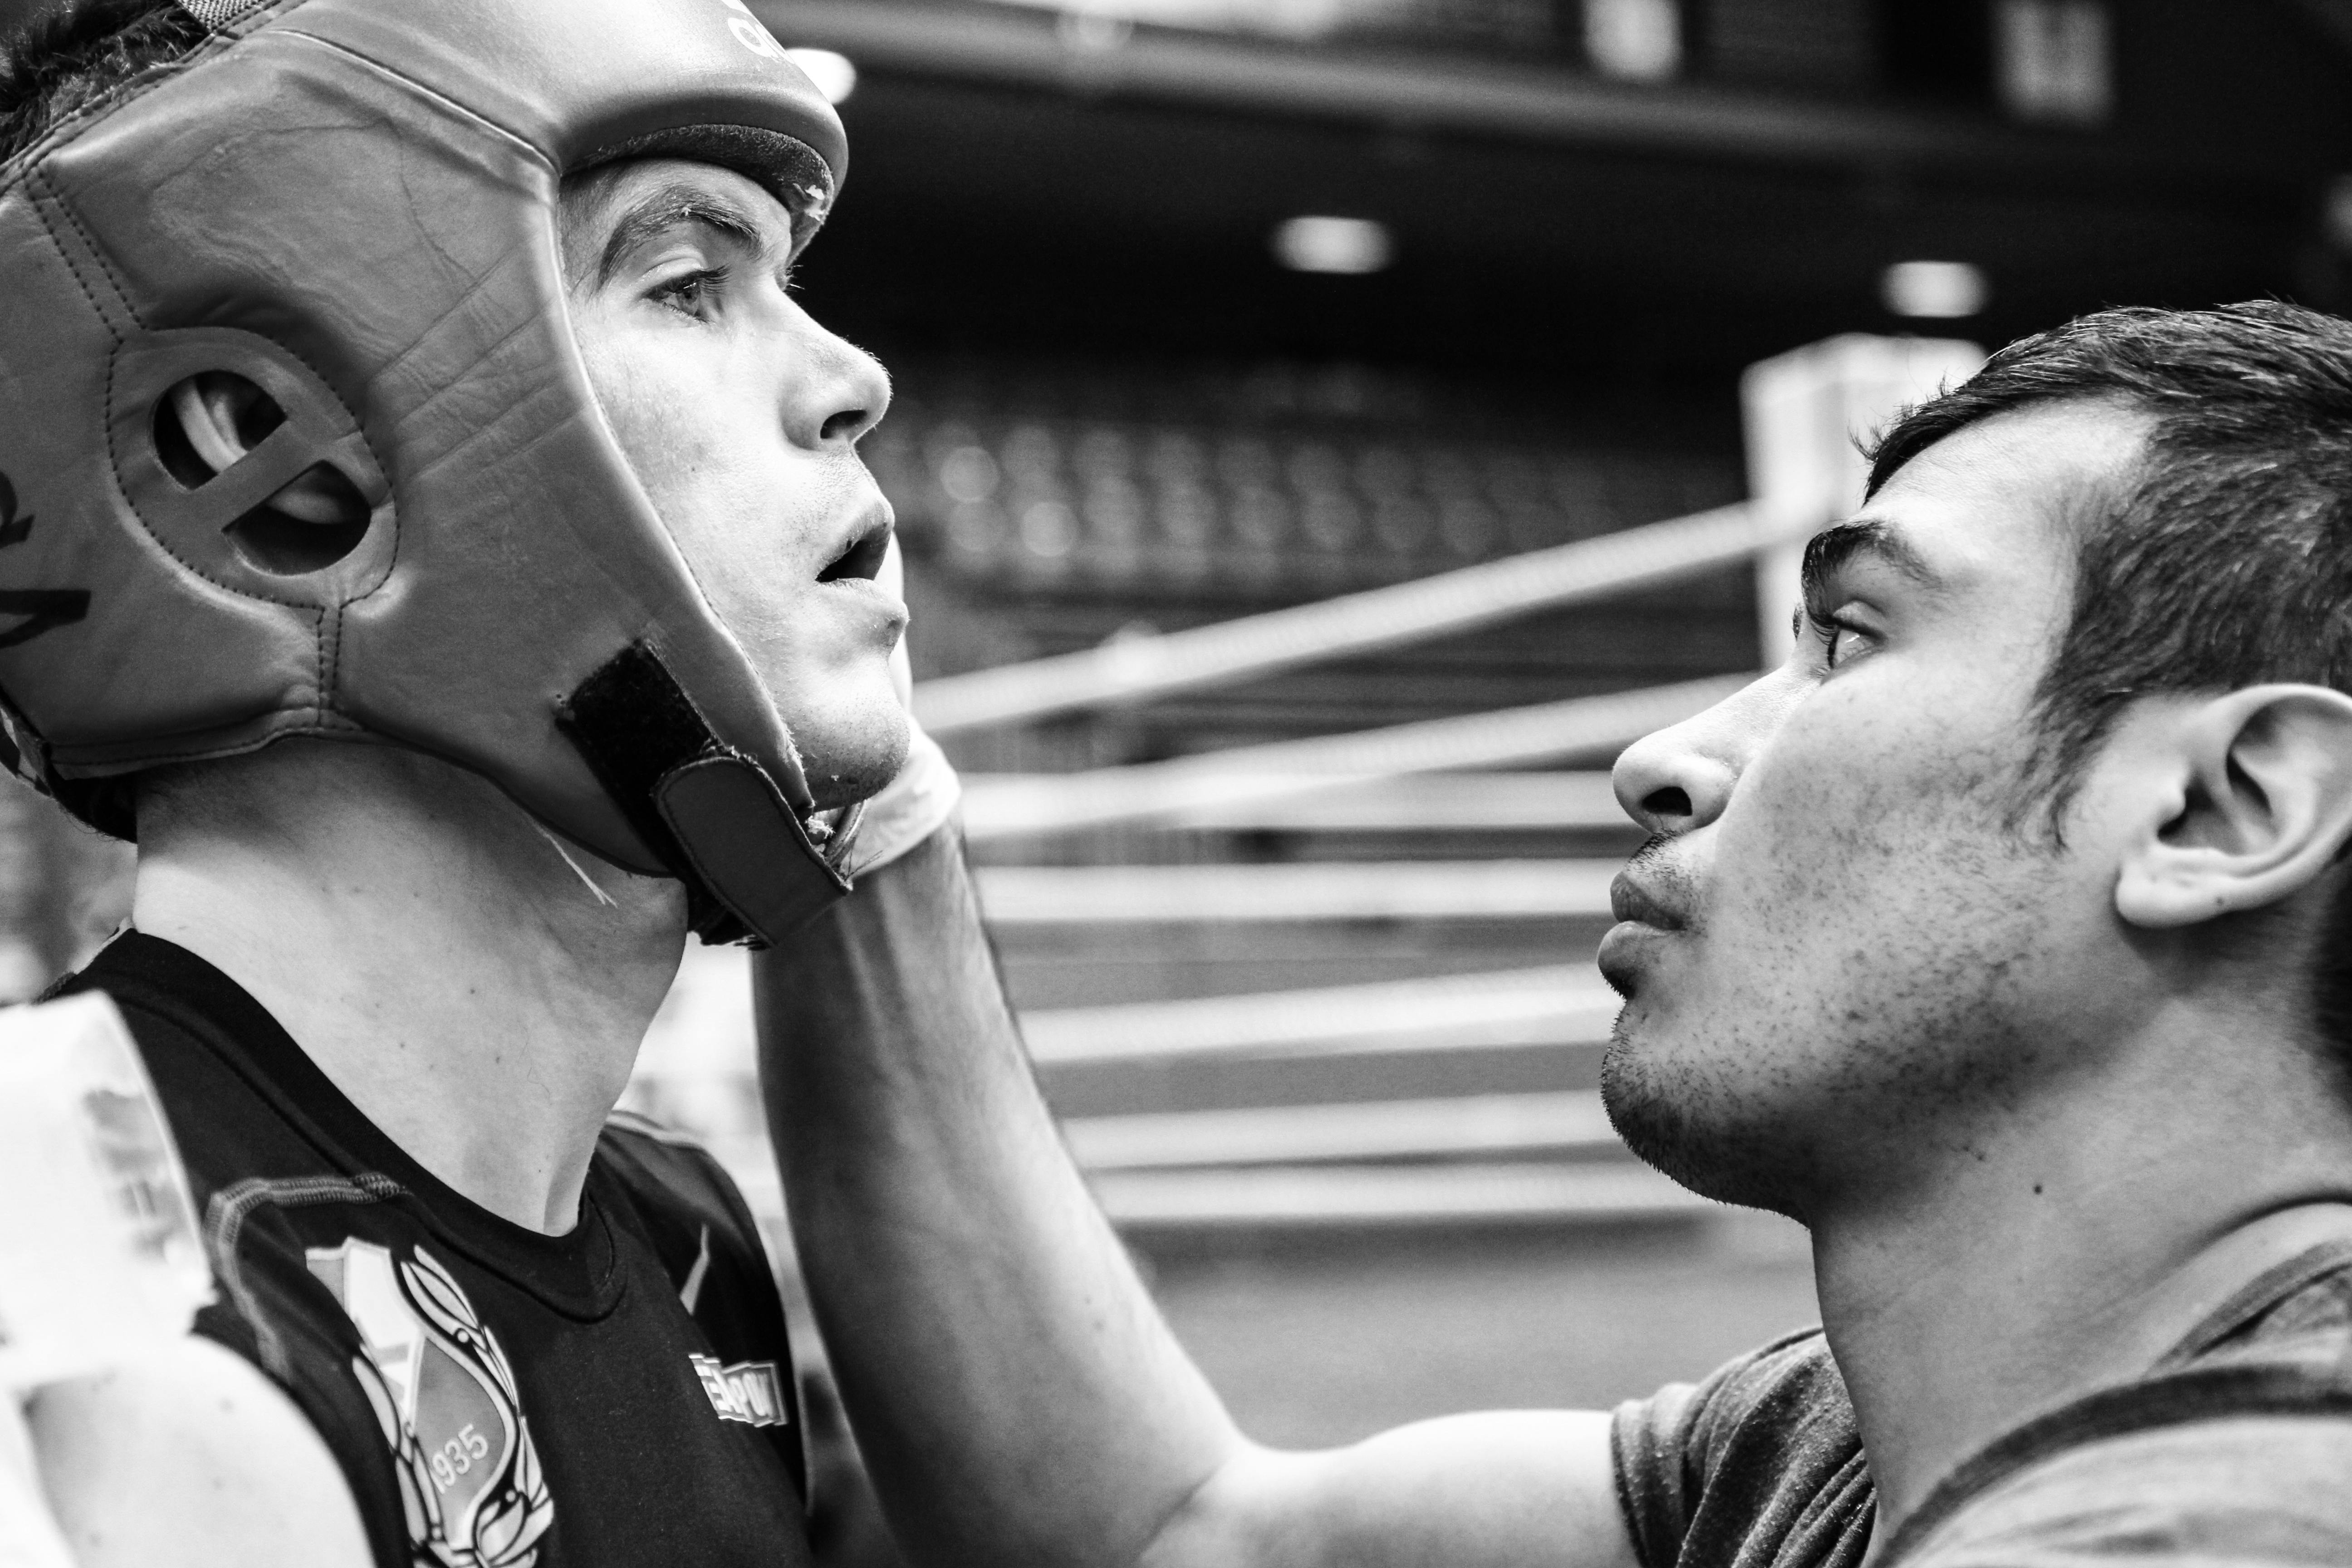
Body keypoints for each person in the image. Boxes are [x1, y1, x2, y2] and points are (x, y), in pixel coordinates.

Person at [757, 301, 2352, 1566]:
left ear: (2222, 812)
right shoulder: (1826, 1452)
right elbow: (1166, 1535)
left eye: (1851, 642)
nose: (1664, 762)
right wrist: (846, 777)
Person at [0, 0, 954, 1563]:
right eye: (689, 282)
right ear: (285, 474)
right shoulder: (86, 1308)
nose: (853, 377)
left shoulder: (684, 1241)